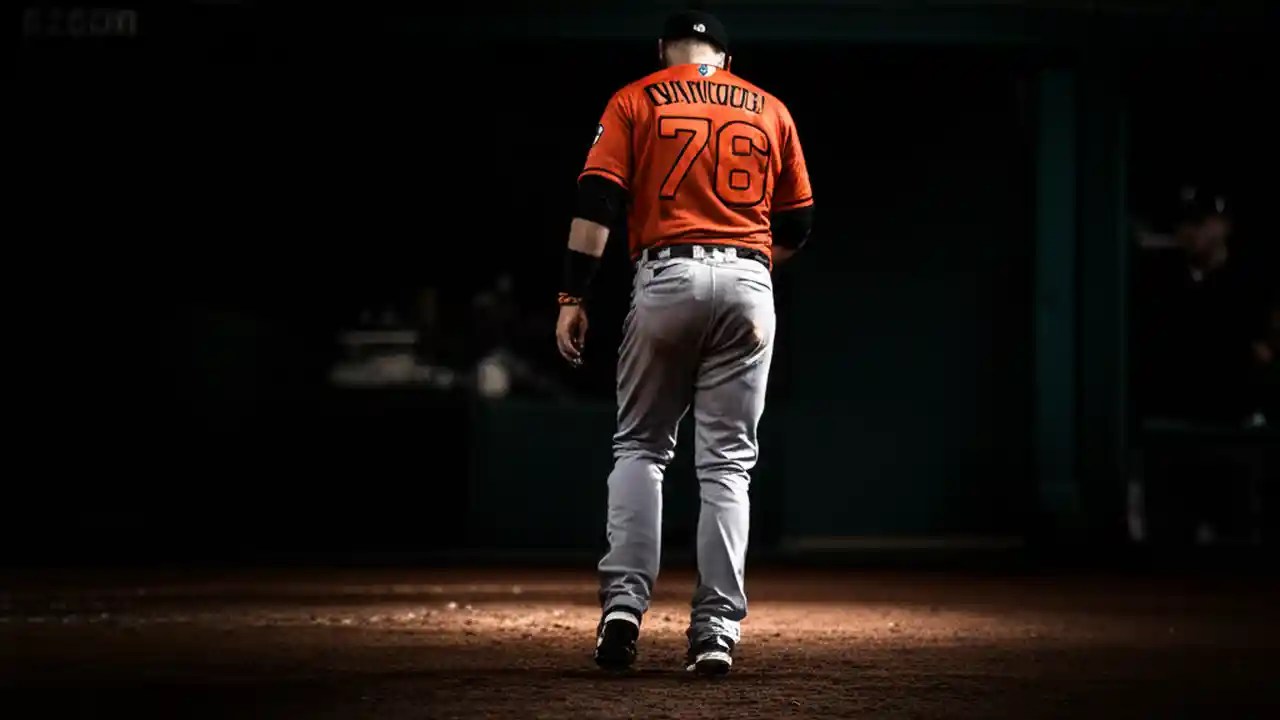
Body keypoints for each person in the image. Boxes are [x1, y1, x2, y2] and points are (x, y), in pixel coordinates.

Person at [553, 9, 814, 675]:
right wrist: (750, 265)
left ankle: (622, 610)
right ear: (723, 58)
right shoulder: (770, 107)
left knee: (641, 446)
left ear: (665, 51)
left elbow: (595, 201)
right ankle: (717, 631)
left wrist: (573, 295)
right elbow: (799, 221)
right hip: (750, 281)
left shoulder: (637, 97)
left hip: (667, 273)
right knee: (727, 465)